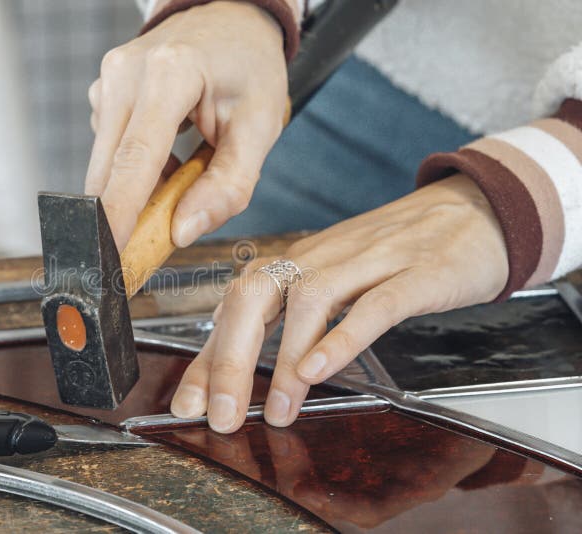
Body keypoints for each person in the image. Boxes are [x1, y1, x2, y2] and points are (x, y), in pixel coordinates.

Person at [84, 0, 582, 433]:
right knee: (232, 352)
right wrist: (235, 8)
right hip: (353, 66)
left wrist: (536, 190)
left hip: (562, 151)